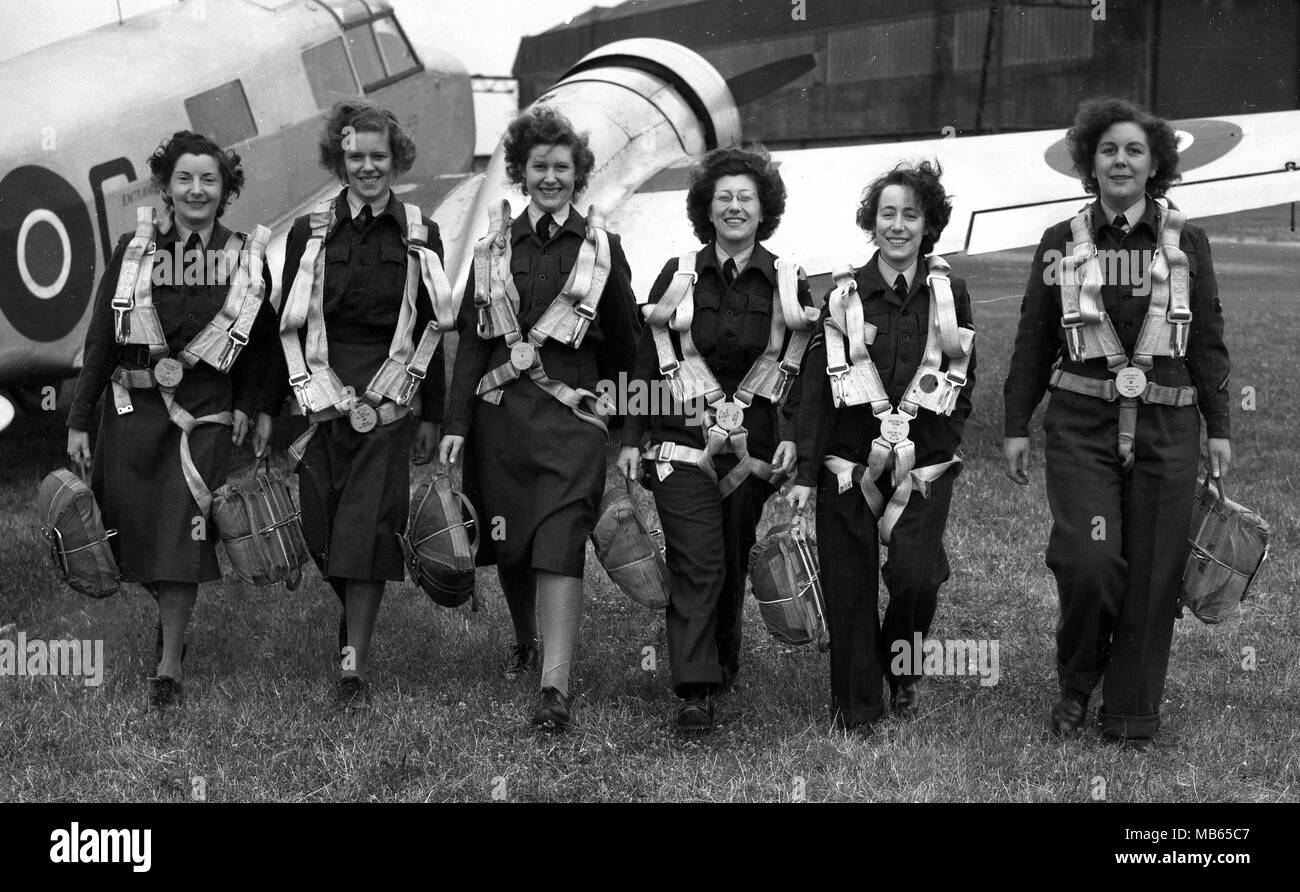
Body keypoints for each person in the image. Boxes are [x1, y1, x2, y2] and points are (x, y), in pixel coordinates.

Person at [1003, 97, 1231, 744]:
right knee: (1090, 559)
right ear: (1090, 163)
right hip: (1081, 423)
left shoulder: (1188, 241)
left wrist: (1221, 428)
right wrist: (1017, 422)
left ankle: (1129, 710)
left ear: (1155, 162)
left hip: (1169, 425)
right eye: (1109, 150)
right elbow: (1034, 337)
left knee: (1156, 573)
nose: (1121, 160)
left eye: (1134, 149)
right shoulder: (1061, 243)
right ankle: (1077, 681)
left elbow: (1208, 338)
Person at [439, 107, 641, 730]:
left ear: (579, 175)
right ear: (521, 174)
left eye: (562, 167)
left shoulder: (603, 250)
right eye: (539, 167)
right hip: (500, 420)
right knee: (509, 541)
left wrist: (632, 432)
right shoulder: (492, 248)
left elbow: (630, 348)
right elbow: (473, 342)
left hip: (572, 425)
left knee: (558, 541)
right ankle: (524, 640)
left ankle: (555, 686)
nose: (550, 177)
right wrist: (454, 423)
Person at [66, 130, 277, 711]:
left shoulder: (244, 257)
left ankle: (170, 663)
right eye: (184, 177)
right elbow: (101, 338)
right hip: (133, 414)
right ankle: (168, 617)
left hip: (204, 414)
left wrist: (255, 405)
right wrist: (79, 419)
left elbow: (262, 346)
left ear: (226, 189)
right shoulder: (133, 254)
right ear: (165, 186)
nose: (196, 189)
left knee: (183, 527)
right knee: (138, 528)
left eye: (210, 178)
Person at [616, 145, 811, 731]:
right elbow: (644, 361)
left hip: (752, 451)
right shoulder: (676, 275)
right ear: (706, 207)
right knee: (698, 557)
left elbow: (804, 368)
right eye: (722, 197)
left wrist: (795, 438)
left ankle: (721, 660)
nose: (733, 206)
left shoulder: (788, 280)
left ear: (763, 208)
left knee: (726, 558)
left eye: (745, 197)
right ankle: (695, 687)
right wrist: (630, 435)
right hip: (678, 444)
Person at [260, 100, 445, 710]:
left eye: (379, 156)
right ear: (339, 160)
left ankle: (353, 664)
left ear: (396, 160)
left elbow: (435, 328)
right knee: (321, 524)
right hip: (320, 395)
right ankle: (354, 611)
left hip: (388, 400)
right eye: (356, 156)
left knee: (365, 527)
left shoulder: (422, 231)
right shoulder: (308, 231)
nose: (368, 167)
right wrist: (277, 403)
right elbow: (282, 324)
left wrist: (435, 415)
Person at [788, 160, 976, 733]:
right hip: (847, 463)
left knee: (917, 578)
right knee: (849, 583)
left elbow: (965, 374)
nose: (898, 225)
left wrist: (944, 441)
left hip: (924, 463)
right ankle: (857, 704)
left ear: (928, 224)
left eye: (910, 215)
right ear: (873, 222)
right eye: (887, 213)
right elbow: (819, 386)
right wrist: (802, 471)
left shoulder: (952, 292)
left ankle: (903, 667)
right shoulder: (842, 295)